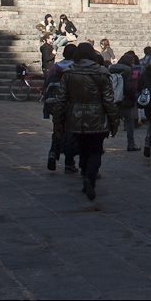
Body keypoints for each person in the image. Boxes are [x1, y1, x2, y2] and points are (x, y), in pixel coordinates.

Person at [51, 42, 119, 200]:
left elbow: (60, 100)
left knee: (83, 147)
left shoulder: (69, 72)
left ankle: (85, 173)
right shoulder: (101, 72)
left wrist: (58, 120)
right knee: (95, 150)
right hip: (97, 117)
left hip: (75, 117)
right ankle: (89, 177)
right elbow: (109, 101)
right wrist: (114, 120)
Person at [44, 44, 79, 173]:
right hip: (71, 105)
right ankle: (69, 163)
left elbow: (47, 85)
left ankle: (53, 153)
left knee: (58, 130)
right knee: (70, 134)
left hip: (56, 104)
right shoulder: (76, 68)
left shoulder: (55, 67)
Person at [108, 53, 139, 151]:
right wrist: (133, 98)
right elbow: (129, 88)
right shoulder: (127, 72)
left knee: (110, 120)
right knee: (129, 121)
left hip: (112, 99)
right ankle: (131, 143)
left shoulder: (111, 70)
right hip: (124, 100)